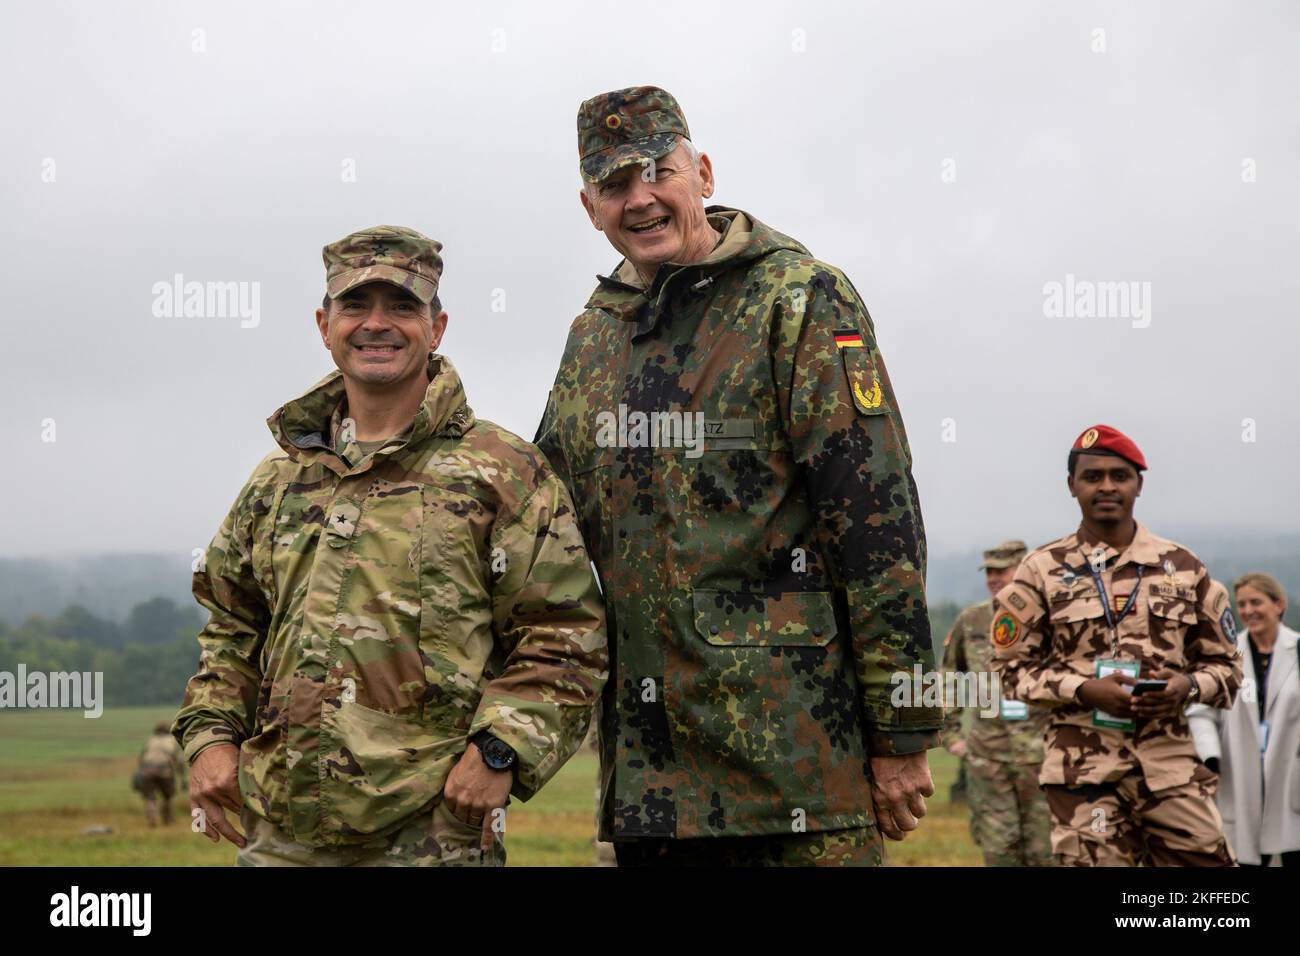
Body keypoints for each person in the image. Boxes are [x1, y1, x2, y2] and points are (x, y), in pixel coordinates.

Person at [535, 86, 940, 867]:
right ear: (590, 208)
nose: (640, 198)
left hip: (797, 778)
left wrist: (904, 728)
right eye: (615, 184)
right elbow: (541, 520)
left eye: (659, 172)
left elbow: (877, 520)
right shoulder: (594, 336)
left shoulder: (798, 300)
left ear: (704, 174)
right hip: (652, 796)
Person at [173, 225, 607, 866]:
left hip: (433, 836)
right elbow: (231, 627)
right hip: (281, 834)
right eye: (355, 305)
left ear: (437, 328)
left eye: (403, 305)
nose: (377, 324)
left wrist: (500, 751)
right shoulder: (279, 480)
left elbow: (564, 633)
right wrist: (210, 735)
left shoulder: (501, 471)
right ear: (324, 325)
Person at [990, 424, 1241, 866]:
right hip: (1084, 777)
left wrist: (1185, 686)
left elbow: (1228, 669)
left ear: (1138, 485)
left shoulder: (1183, 568)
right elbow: (1008, 672)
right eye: (1093, 476)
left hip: (1169, 769)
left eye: (1119, 476)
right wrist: (1084, 689)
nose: (1107, 486)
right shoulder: (1041, 570)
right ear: (1072, 485)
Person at [942, 541, 1052, 866]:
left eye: (1002, 570)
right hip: (988, 759)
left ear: (1024, 572)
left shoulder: (1050, 619)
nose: (993, 578)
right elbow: (948, 676)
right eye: (989, 571)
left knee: (1047, 852)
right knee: (1000, 853)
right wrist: (951, 735)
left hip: (1042, 757)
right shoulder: (972, 621)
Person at [1189, 572, 1300, 865]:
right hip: (1238, 774)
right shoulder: (1225, 656)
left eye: (1256, 602)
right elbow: (1201, 712)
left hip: (1289, 776)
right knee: (1244, 858)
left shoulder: (1297, 650)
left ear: (1279, 605)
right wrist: (1210, 758)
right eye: (1242, 604)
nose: (1248, 611)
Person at [137, 722, 186, 827]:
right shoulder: (172, 741)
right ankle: (167, 819)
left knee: (149, 797)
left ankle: (152, 818)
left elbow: (142, 758)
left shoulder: (151, 740)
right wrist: (182, 777)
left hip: (147, 771)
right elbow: (180, 761)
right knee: (167, 797)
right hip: (165, 772)